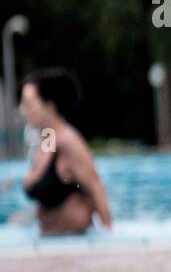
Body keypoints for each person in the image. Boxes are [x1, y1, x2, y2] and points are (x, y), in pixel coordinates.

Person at [18, 68, 112, 236]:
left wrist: (109, 239)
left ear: (49, 106)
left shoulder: (70, 143)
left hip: (76, 242)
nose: (23, 110)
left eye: (29, 104)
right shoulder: (47, 139)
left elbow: (96, 189)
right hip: (51, 239)